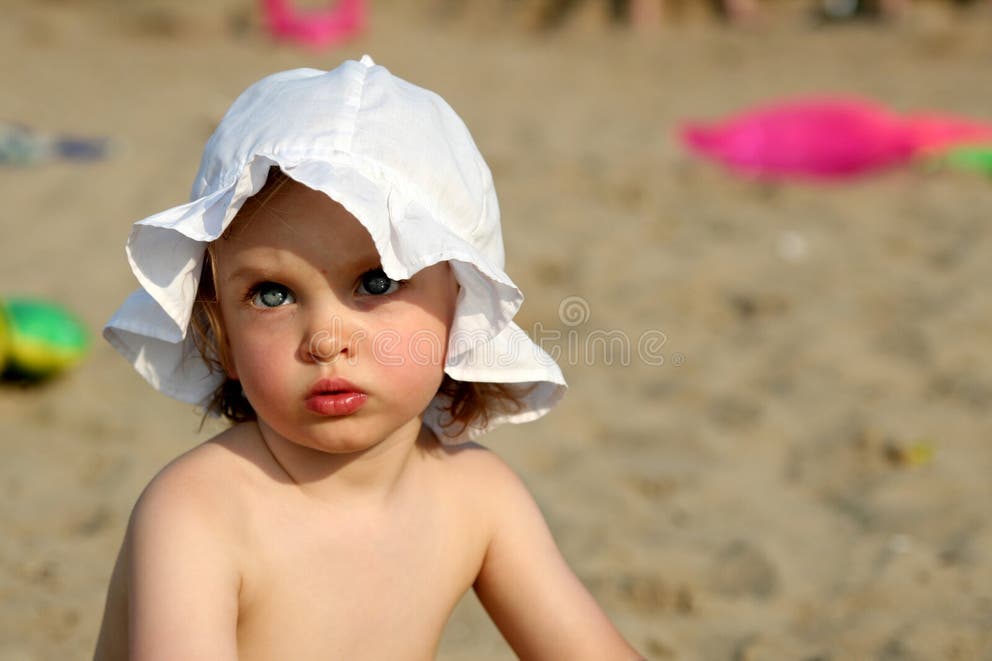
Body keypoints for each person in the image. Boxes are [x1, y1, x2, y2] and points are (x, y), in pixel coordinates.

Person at [94, 56, 642, 660]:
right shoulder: (200, 512)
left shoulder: (476, 499)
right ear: (220, 332)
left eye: (376, 284)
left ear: (462, 303)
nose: (326, 340)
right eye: (272, 295)